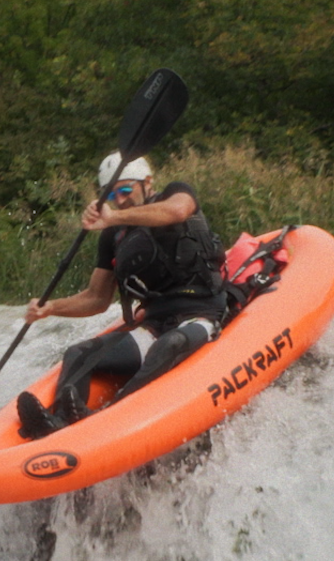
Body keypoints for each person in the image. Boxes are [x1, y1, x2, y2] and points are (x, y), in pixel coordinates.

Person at [17, 152, 226, 439]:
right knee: (78, 354)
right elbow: (97, 298)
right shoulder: (112, 236)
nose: (120, 198)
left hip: (201, 315)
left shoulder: (176, 193)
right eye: (111, 194)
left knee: (169, 345)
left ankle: (107, 419)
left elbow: (176, 212)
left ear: (147, 182)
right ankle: (60, 424)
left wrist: (113, 216)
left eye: (125, 189)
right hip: (154, 323)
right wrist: (50, 307)